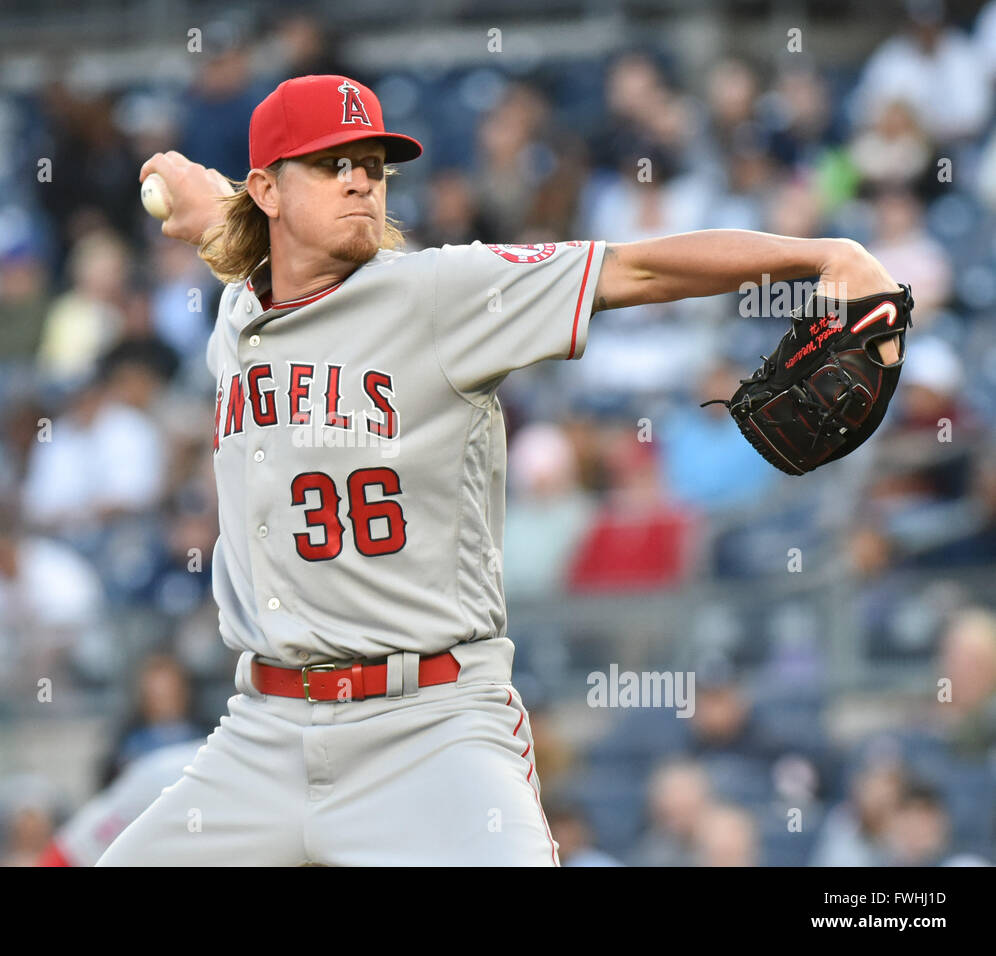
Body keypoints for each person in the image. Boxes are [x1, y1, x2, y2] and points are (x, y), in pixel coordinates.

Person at [101, 73, 902, 866]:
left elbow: (637, 268)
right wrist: (207, 201)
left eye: (372, 166)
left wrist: (818, 254)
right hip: (263, 732)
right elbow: (238, 241)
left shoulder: (443, 294)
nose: (358, 181)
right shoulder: (243, 308)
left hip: (430, 727)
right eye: (329, 163)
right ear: (268, 192)